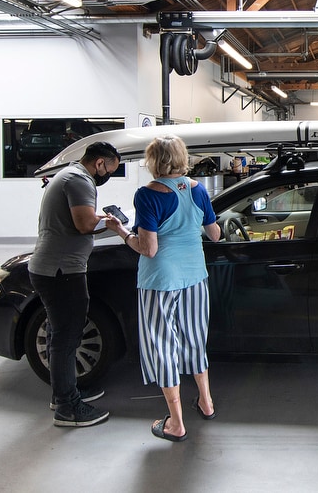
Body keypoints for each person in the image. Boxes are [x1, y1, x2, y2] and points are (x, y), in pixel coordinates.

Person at [112, 135, 220, 443]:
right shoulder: (198, 189)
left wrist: (121, 231)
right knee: (195, 340)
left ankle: (175, 423)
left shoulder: (148, 194)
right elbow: (214, 234)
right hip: (196, 277)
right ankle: (206, 402)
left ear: (154, 161)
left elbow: (148, 248)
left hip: (161, 281)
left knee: (163, 347)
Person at [28, 140, 123, 428]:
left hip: (55, 267)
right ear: (99, 163)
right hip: (61, 271)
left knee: (62, 336)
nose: (108, 176)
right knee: (67, 336)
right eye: (110, 170)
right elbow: (83, 224)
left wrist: (102, 219)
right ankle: (68, 408)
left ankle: (64, 393)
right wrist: (111, 222)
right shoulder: (80, 180)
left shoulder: (68, 176)